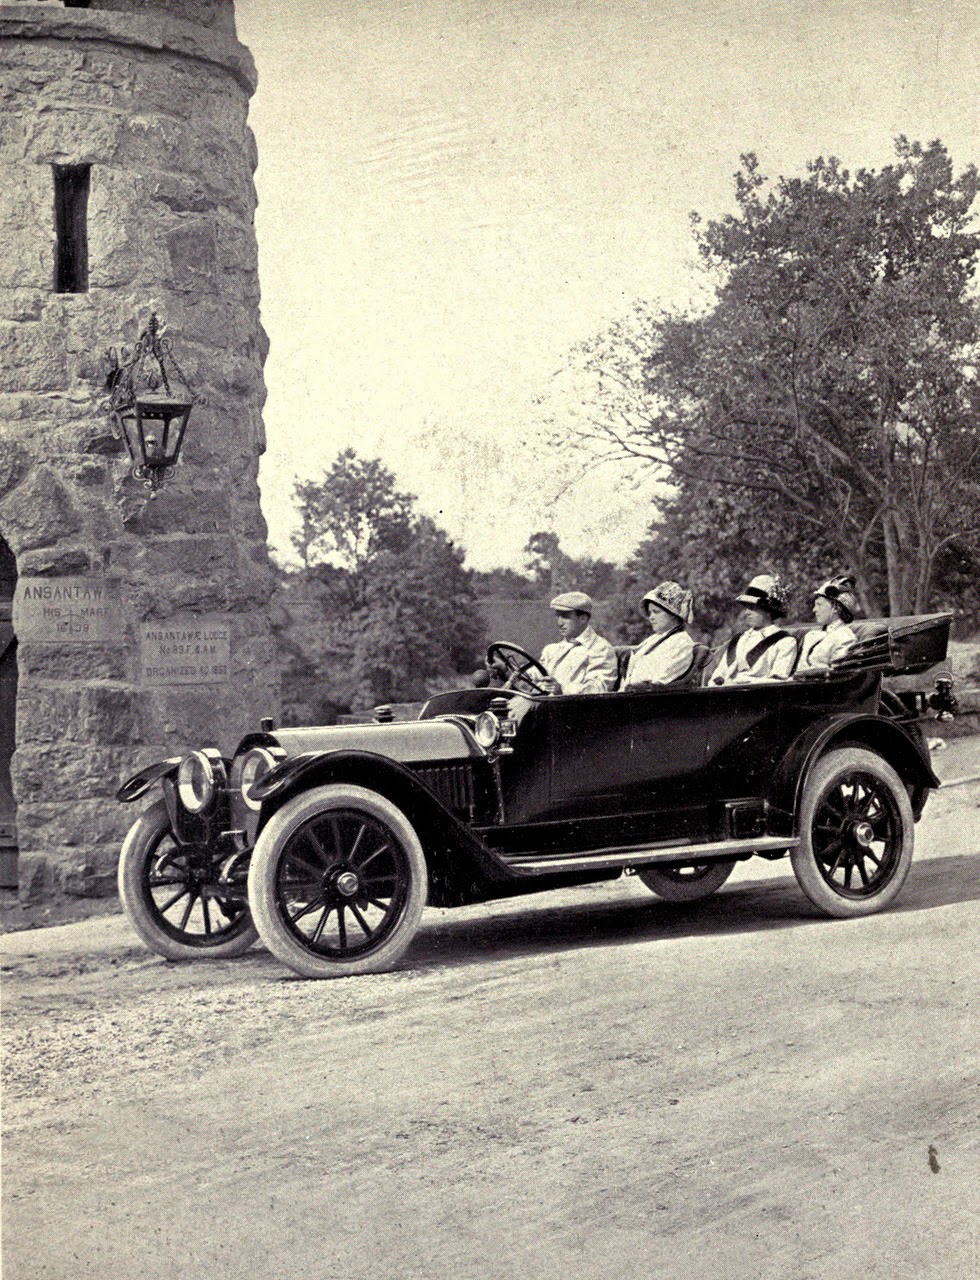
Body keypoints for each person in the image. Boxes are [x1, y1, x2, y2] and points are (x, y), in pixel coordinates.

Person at [709, 574, 798, 684]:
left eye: (752, 607)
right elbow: (718, 675)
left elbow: (778, 682)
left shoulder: (784, 642)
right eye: (746, 607)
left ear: (768, 610)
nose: (746, 612)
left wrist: (742, 681)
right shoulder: (739, 639)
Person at [537, 591, 618, 694]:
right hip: (538, 701)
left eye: (565, 617)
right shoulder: (551, 649)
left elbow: (597, 690)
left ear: (583, 619)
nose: (560, 623)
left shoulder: (600, 649)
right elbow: (535, 675)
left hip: (570, 707)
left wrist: (561, 689)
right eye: (558, 616)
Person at [622, 582, 695, 689]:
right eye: (650, 613)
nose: (651, 617)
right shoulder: (653, 640)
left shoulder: (681, 642)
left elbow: (660, 680)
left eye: (656, 612)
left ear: (673, 614)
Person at [796, 575, 859, 671]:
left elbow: (837, 676)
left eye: (819, 604)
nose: (814, 610)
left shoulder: (846, 638)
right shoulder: (811, 635)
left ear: (834, 607)